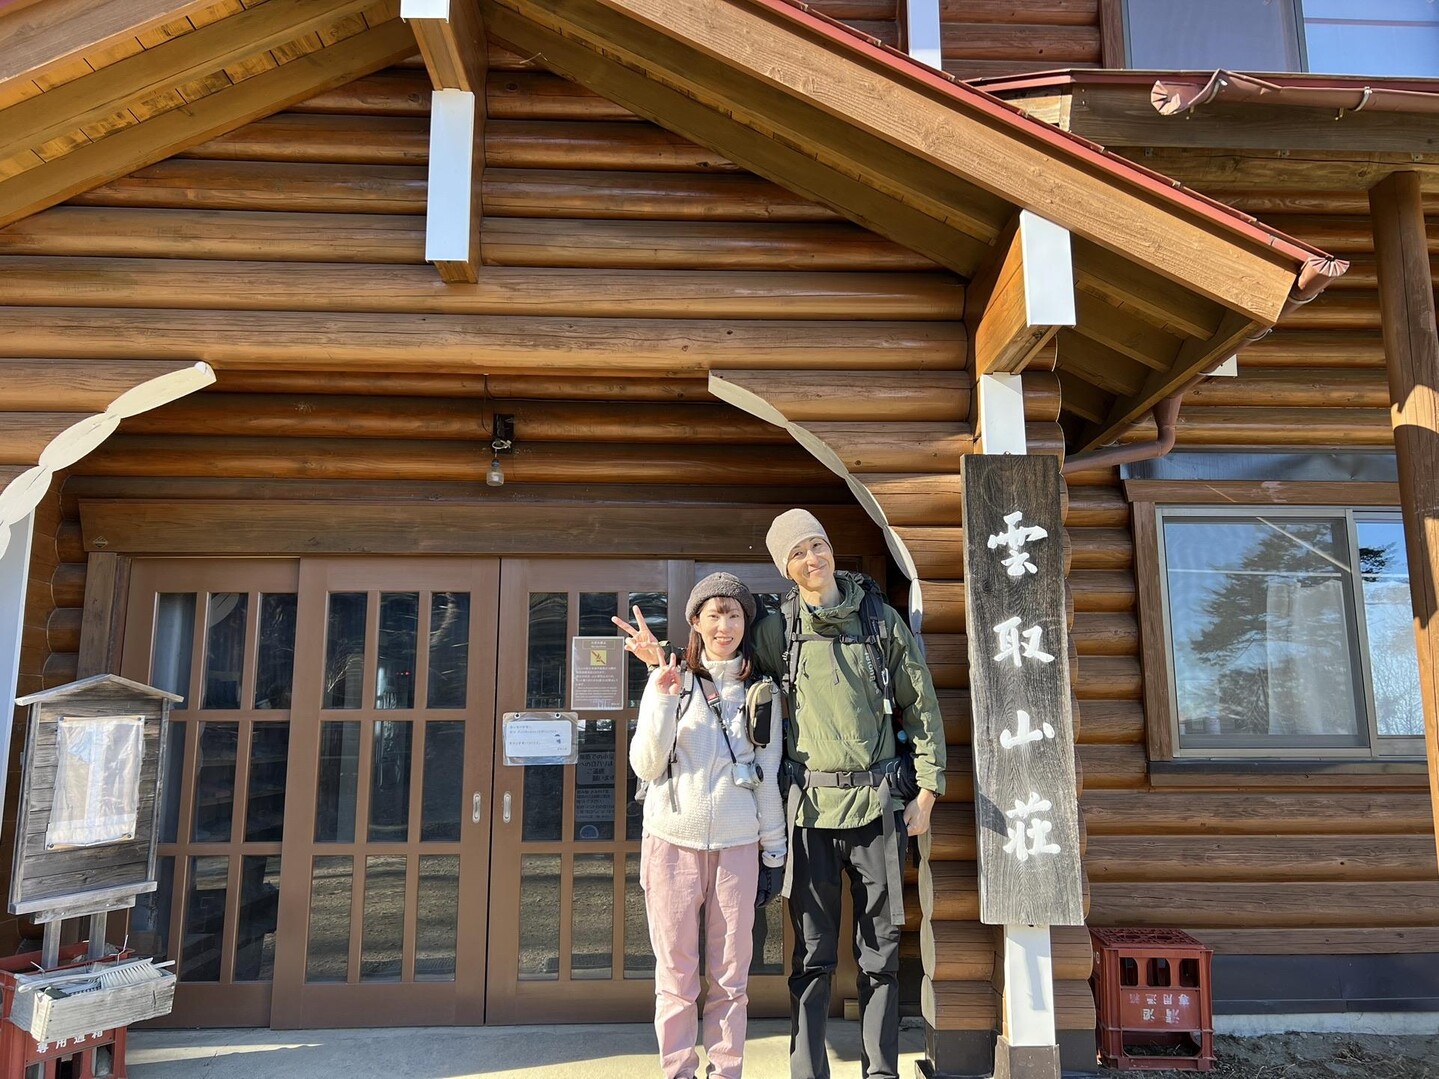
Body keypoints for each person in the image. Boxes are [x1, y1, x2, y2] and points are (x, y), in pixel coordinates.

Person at [755, 509, 946, 1079]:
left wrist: (929, 787)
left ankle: (880, 1071)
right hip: (809, 812)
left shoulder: (880, 621)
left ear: (831, 550)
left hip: (879, 808)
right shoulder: (776, 630)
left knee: (881, 954)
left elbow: (921, 705)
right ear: (786, 569)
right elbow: (728, 672)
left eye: (818, 546)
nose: (812, 559)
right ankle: (808, 1071)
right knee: (812, 956)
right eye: (798, 554)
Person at [622, 571, 787, 1079]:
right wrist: (663, 696)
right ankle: (677, 1071)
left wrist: (775, 850)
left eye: (734, 614)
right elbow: (646, 765)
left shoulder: (764, 693)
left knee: (731, 977)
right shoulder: (673, 680)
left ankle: (726, 1071)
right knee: (675, 976)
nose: (725, 624)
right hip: (672, 843)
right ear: (695, 622)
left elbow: (768, 777)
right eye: (714, 614)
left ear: (745, 623)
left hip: (739, 846)